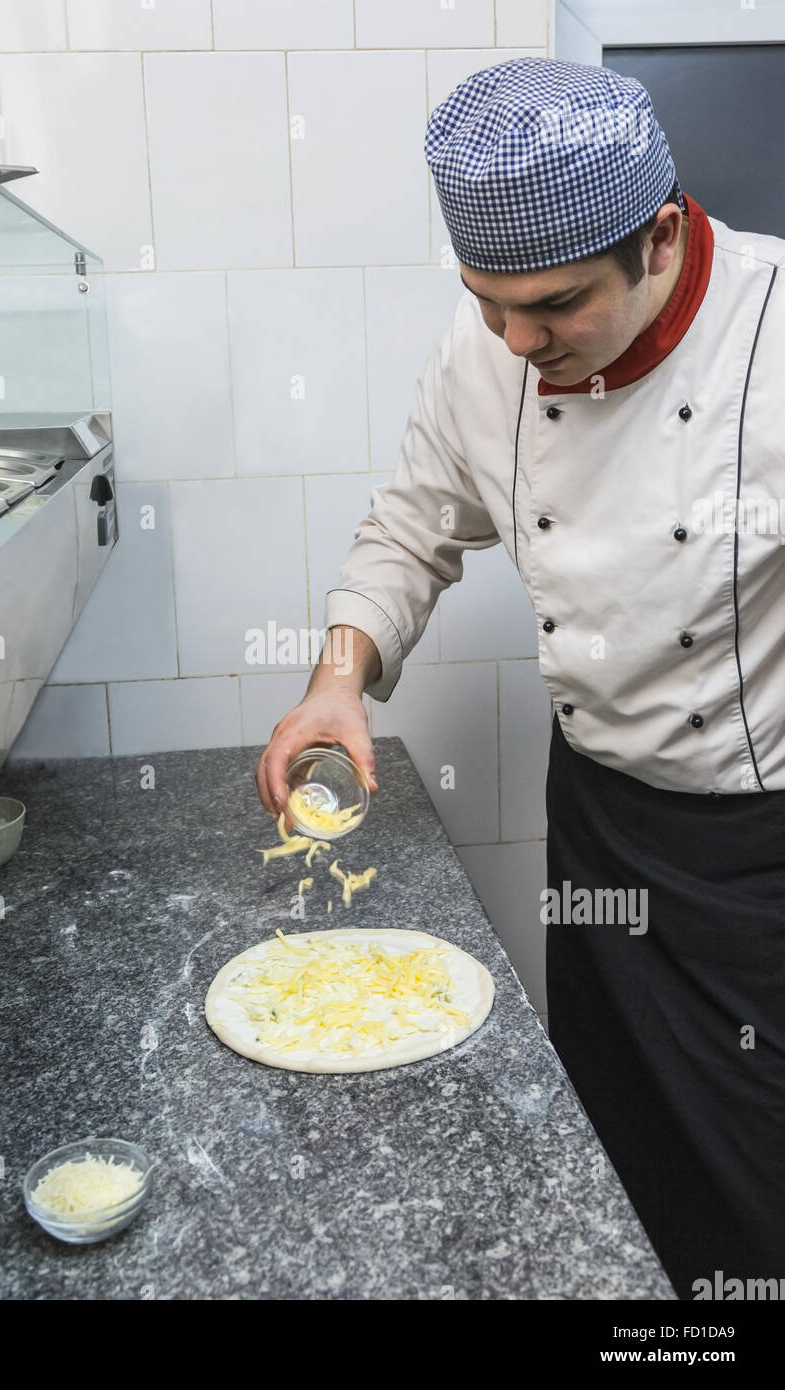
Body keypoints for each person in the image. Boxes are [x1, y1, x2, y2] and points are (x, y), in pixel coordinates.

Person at [254, 57, 785, 1300]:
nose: (517, 342)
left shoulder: (773, 335)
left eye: (552, 306)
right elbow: (409, 527)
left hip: (751, 852)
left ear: (662, 239)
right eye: (485, 302)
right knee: (605, 1125)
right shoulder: (488, 348)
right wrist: (337, 679)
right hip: (595, 812)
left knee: (751, 1172)